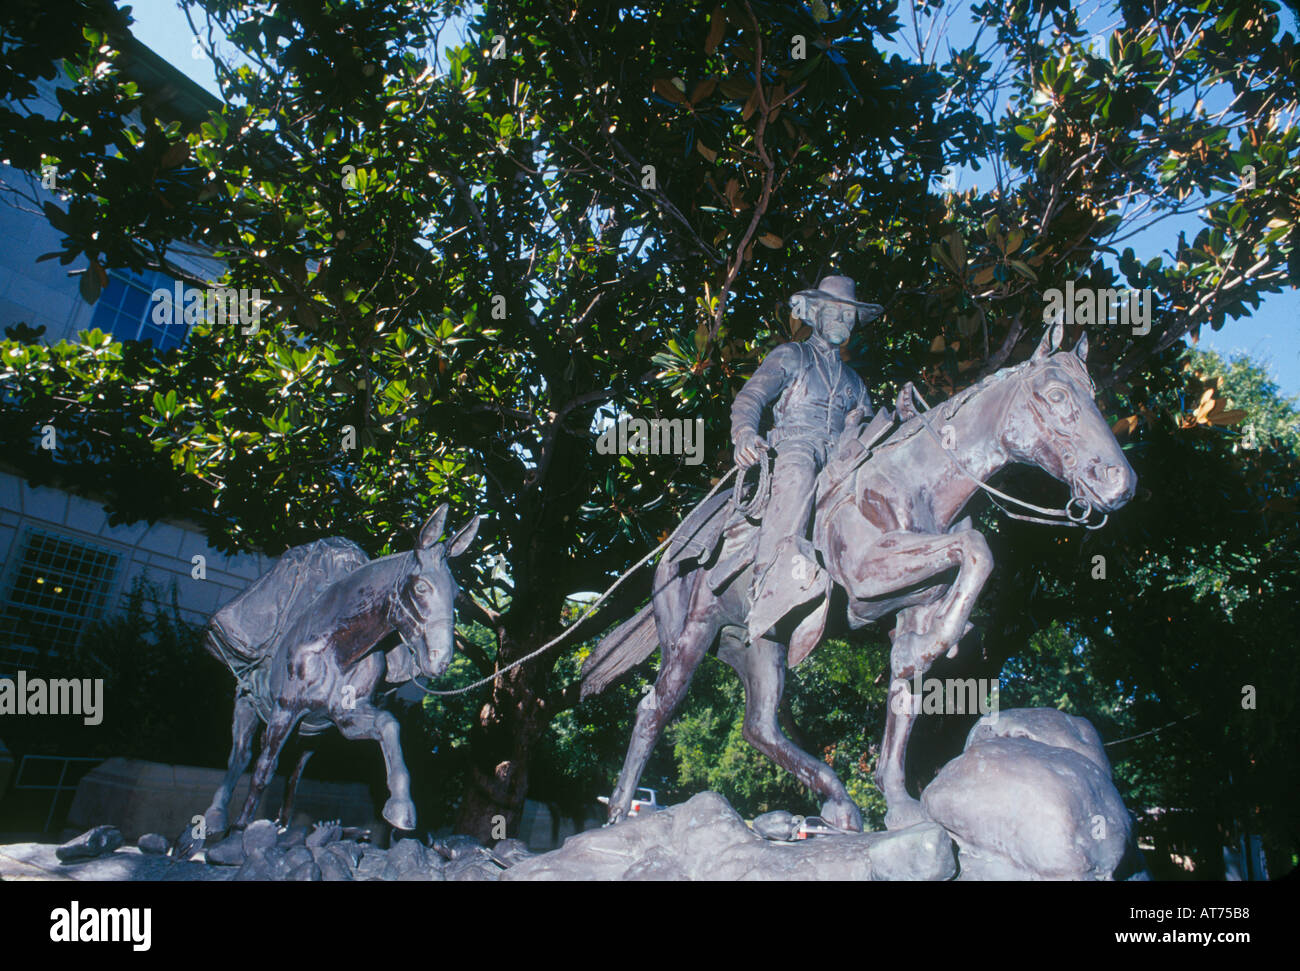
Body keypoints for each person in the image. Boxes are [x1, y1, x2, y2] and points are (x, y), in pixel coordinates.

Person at [730, 275, 883, 602]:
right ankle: (769, 576)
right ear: (815, 314)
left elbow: (871, 429)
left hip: (842, 458)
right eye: (836, 312)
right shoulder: (792, 355)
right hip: (796, 445)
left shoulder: (855, 382)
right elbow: (751, 397)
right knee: (799, 473)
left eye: (849, 315)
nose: (844, 320)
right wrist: (744, 433)